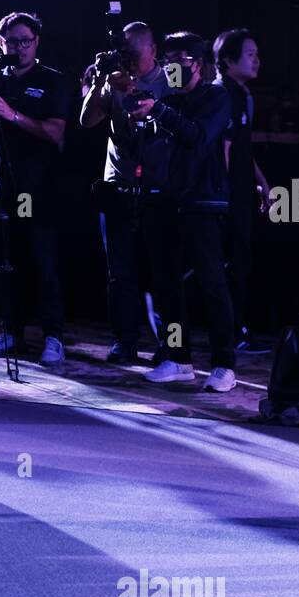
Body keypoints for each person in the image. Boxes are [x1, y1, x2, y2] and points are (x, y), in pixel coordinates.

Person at [0, 12, 71, 368]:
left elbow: (56, 134)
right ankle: (11, 330)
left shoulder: (51, 81)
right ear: (0, 43)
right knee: (4, 262)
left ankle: (53, 336)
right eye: (12, 41)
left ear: (37, 41)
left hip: (37, 187)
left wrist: (13, 116)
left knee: (43, 261)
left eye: (25, 40)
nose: (18, 47)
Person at [134, 32, 238, 392]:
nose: (173, 66)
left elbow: (198, 135)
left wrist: (159, 112)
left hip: (202, 202)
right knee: (167, 285)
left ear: (199, 63)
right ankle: (178, 358)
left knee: (211, 283)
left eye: (181, 58)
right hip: (165, 199)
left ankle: (224, 363)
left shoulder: (216, 96)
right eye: (168, 59)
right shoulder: (164, 99)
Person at [80, 21, 172, 365]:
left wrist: (125, 84)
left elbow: (146, 120)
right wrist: (100, 83)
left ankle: (168, 343)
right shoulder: (113, 79)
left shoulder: (168, 82)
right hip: (117, 186)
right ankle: (125, 341)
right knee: (120, 271)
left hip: (156, 187)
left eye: (134, 53)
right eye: (124, 53)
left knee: (160, 271)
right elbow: (87, 121)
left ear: (153, 51)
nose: (128, 59)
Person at [213, 28, 273, 354]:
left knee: (241, 261)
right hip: (226, 197)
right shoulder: (222, 95)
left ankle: (238, 330)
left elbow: (242, 149)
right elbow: (222, 148)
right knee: (230, 263)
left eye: (257, 54)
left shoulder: (244, 96)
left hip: (241, 194)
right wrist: (223, 194)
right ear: (227, 60)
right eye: (250, 54)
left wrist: (262, 183)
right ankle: (232, 334)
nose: (256, 60)